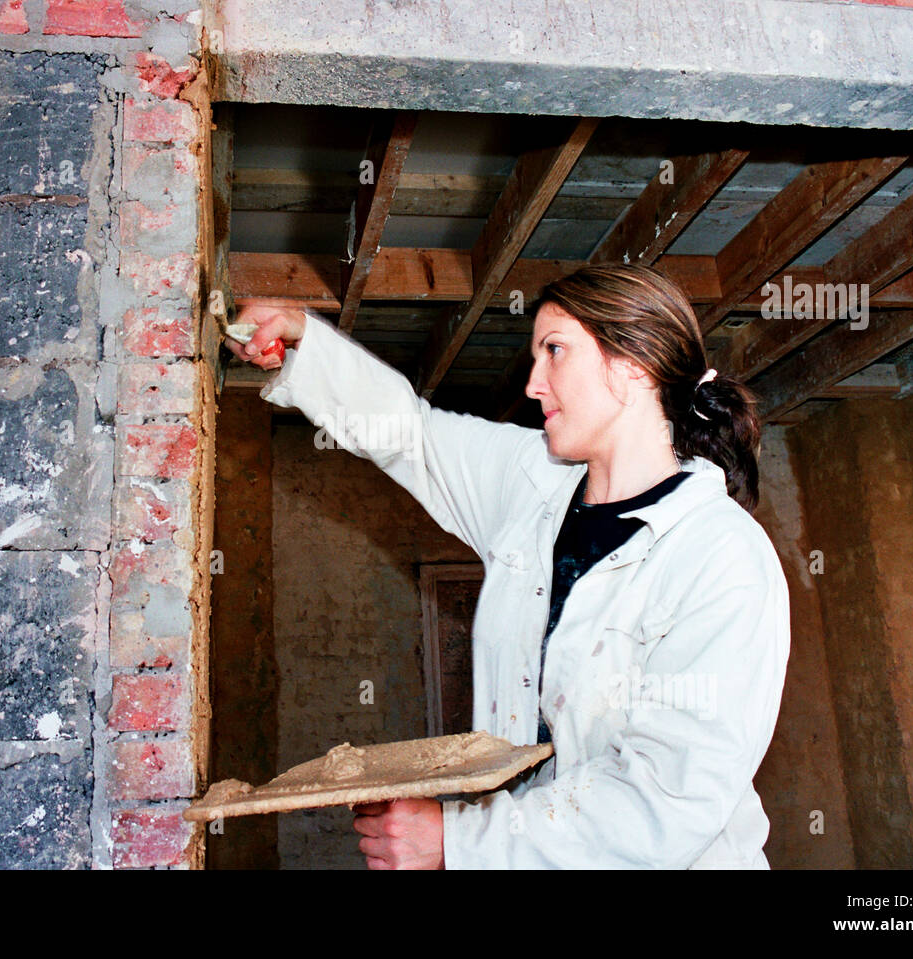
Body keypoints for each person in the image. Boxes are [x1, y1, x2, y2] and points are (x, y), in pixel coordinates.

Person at [226, 264, 790, 869]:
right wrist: (306, 340)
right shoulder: (533, 482)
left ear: (634, 365)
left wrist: (458, 839)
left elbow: (665, 799)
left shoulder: (722, 556)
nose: (533, 385)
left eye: (555, 351)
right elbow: (411, 435)